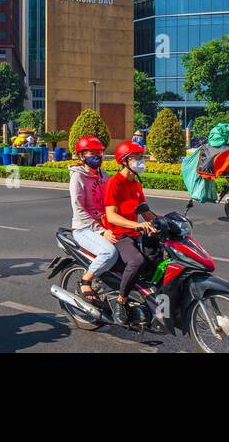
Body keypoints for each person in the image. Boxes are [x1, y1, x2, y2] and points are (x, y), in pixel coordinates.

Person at [102, 140, 159, 326]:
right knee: (137, 261)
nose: (141, 161)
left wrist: (166, 222)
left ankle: (146, 293)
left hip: (134, 233)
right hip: (118, 235)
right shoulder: (114, 183)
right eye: (137, 158)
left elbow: (146, 212)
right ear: (125, 161)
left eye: (141, 157)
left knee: (158, 253)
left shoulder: (136, 184)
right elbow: (111, 216)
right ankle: (121, 300)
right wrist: (138, 226)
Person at [68, 136, 117, 309]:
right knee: (109, 253)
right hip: (84, 229)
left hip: (106, 225)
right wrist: (101, 231)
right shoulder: (78, 177)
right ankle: (85, 280)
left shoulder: (104, 175)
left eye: (100, 152)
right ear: (82, 156)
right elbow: (79, 209)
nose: (97, 156)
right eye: (92, 153)